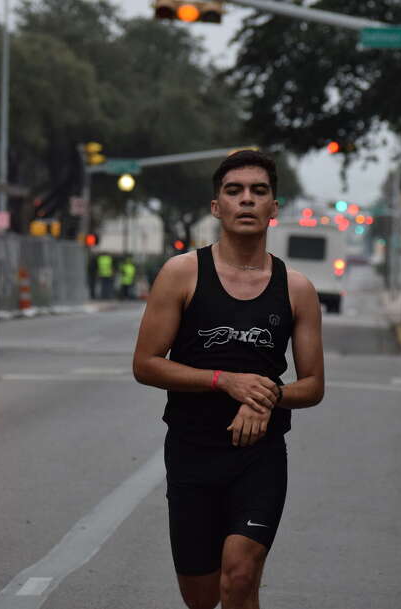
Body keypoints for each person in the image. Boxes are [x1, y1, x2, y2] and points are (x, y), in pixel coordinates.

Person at [132, 149, 325, 609]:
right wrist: (226, 381)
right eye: (234, 191)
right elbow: (146, 364)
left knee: (239, 575)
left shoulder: (296, 288)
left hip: (258, 458)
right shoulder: (182, 274)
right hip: (192, 452)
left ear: (273, 208)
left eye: (259, 192)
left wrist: (266, 396)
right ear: (216, 206)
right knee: (202, 597)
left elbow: (313, 384)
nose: (246, 200)